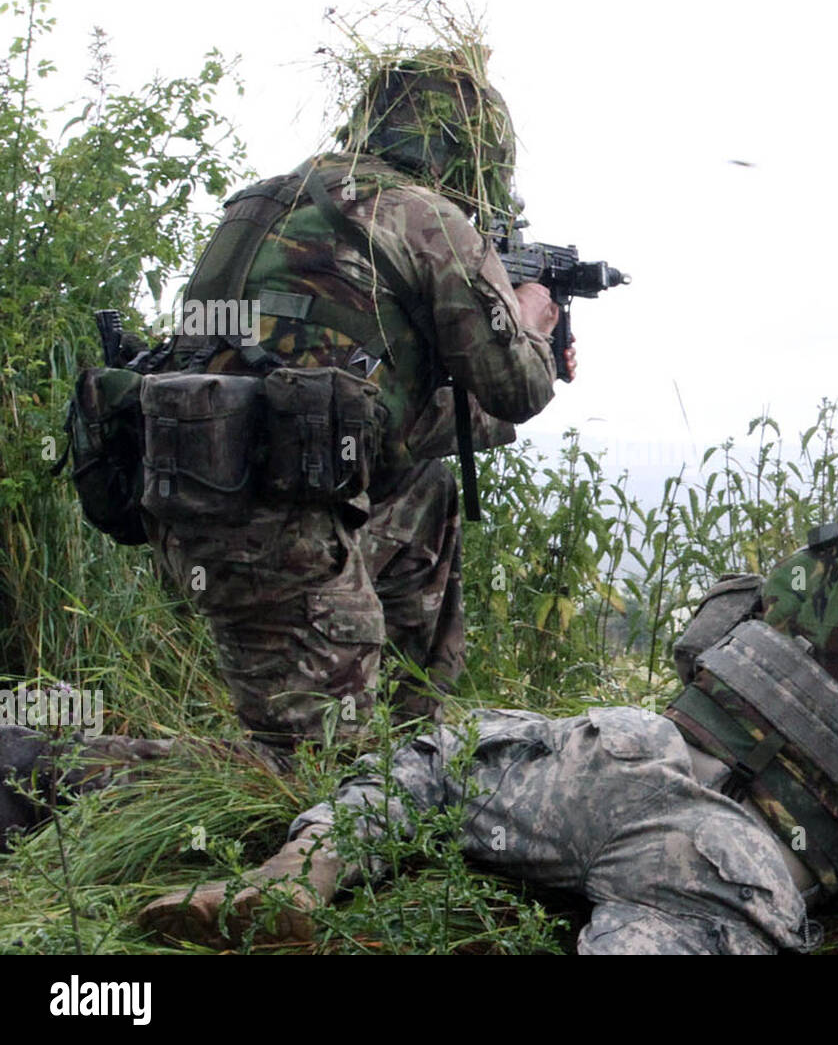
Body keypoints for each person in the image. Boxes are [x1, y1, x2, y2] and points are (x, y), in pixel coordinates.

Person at [1, 51, 570, 844]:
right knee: (300, 787)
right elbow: (518, 385)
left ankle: (402, 758)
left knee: (426, 492)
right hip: (272, 531)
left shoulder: (270, 198)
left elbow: (366, 418)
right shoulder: (426, 217)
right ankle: (38, 763)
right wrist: (535, 323)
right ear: (469, 153)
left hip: (199, 494)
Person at [138, 509, 838, 954]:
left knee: (439, 755)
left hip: (628, 756)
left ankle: (290, 878)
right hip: (730, 855)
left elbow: (703, 634)